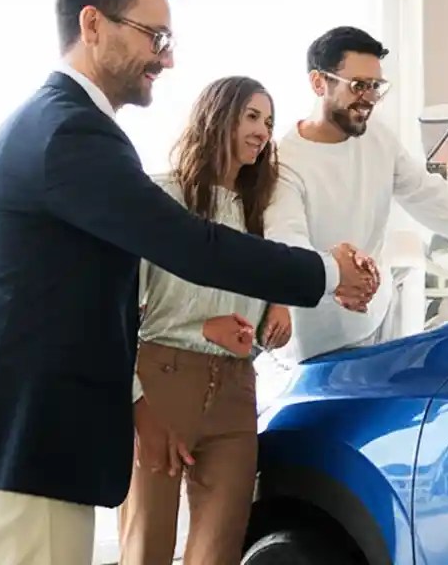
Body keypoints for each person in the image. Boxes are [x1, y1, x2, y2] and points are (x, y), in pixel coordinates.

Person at [0, 0, 378, 565]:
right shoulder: (70, 133)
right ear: (94, 24)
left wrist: (136, 400)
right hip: (20, 438)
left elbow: (82, 297)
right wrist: (332, 273)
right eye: (155, 37)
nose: (167, 57)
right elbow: (191, 247)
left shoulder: (69, 126)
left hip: (24, 434)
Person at [264, 26, 448, 363]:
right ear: (319, 83)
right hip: (316, 343)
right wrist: (335, 276)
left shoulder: (378, 138)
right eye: (358, 86)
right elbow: (288, 246)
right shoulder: (285, 162)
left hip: (375, 321)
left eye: (376, 87)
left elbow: (428, 194)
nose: (370, 98)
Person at [117, 75, 293, 564]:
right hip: (164, 379)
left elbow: (248, 322)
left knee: (219, 549)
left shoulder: (261, 214)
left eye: (270, 121)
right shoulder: (161, 196)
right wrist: (197, 331)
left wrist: (270, 317)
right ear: (219, 116)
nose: (263, 131)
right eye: (252, 116)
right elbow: (122, 306)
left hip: (238, 389)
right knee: (147, 546)